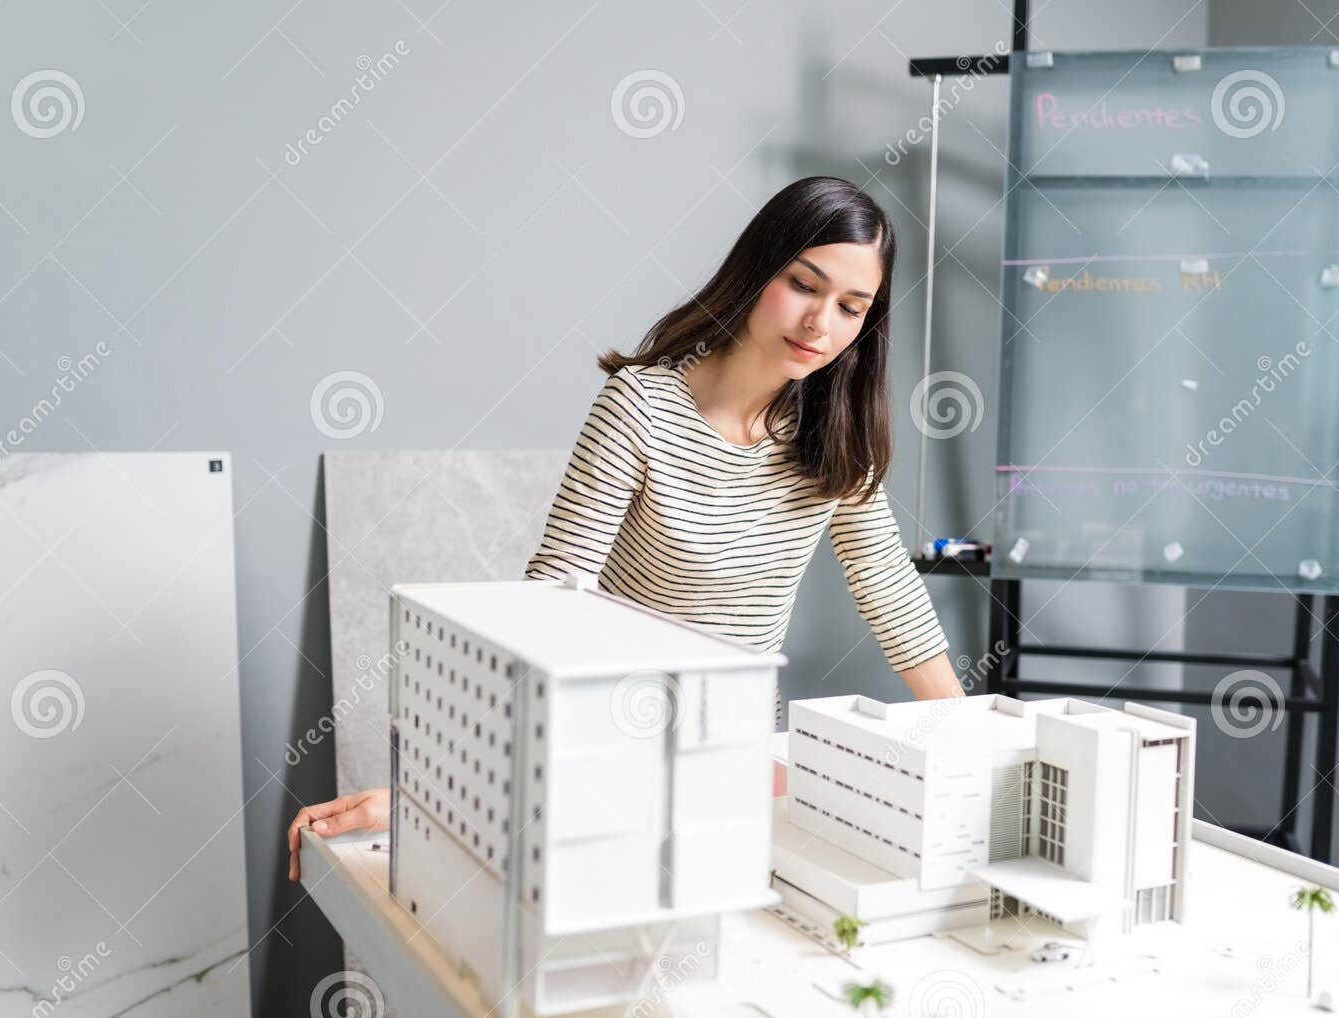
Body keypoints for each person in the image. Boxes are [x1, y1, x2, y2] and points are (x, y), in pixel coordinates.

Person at [287, 175, 962, 883]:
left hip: (735, 760)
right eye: (804, 284)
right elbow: (552, 602)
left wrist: (968, 740)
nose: (821, 322)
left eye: (851, 307)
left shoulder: (833, 435)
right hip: (604, 750)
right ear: (760, 267)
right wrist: (433, 783)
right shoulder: (641, 406)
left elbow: (888, 588)